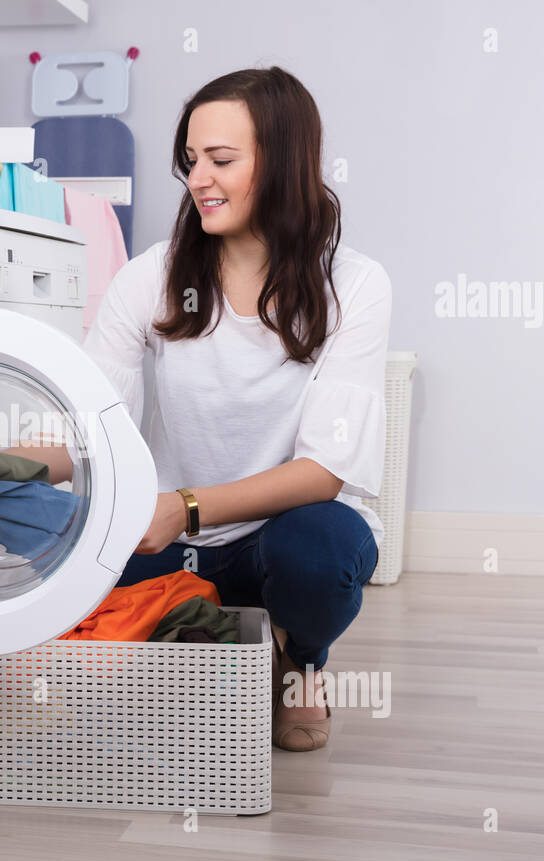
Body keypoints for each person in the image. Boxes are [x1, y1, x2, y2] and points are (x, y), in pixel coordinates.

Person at [82, 67, 392, 752]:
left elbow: (323, 472)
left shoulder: (356, 284)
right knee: (61, 565)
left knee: (321, 552)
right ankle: (220, 631)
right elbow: (87, 422)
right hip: (170, 542)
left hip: (268, 536)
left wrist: (184, 506)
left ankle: (302, 663)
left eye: (221, 160)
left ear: (284, 164)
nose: (199, 179)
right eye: (191, 162)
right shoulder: (151, 278)